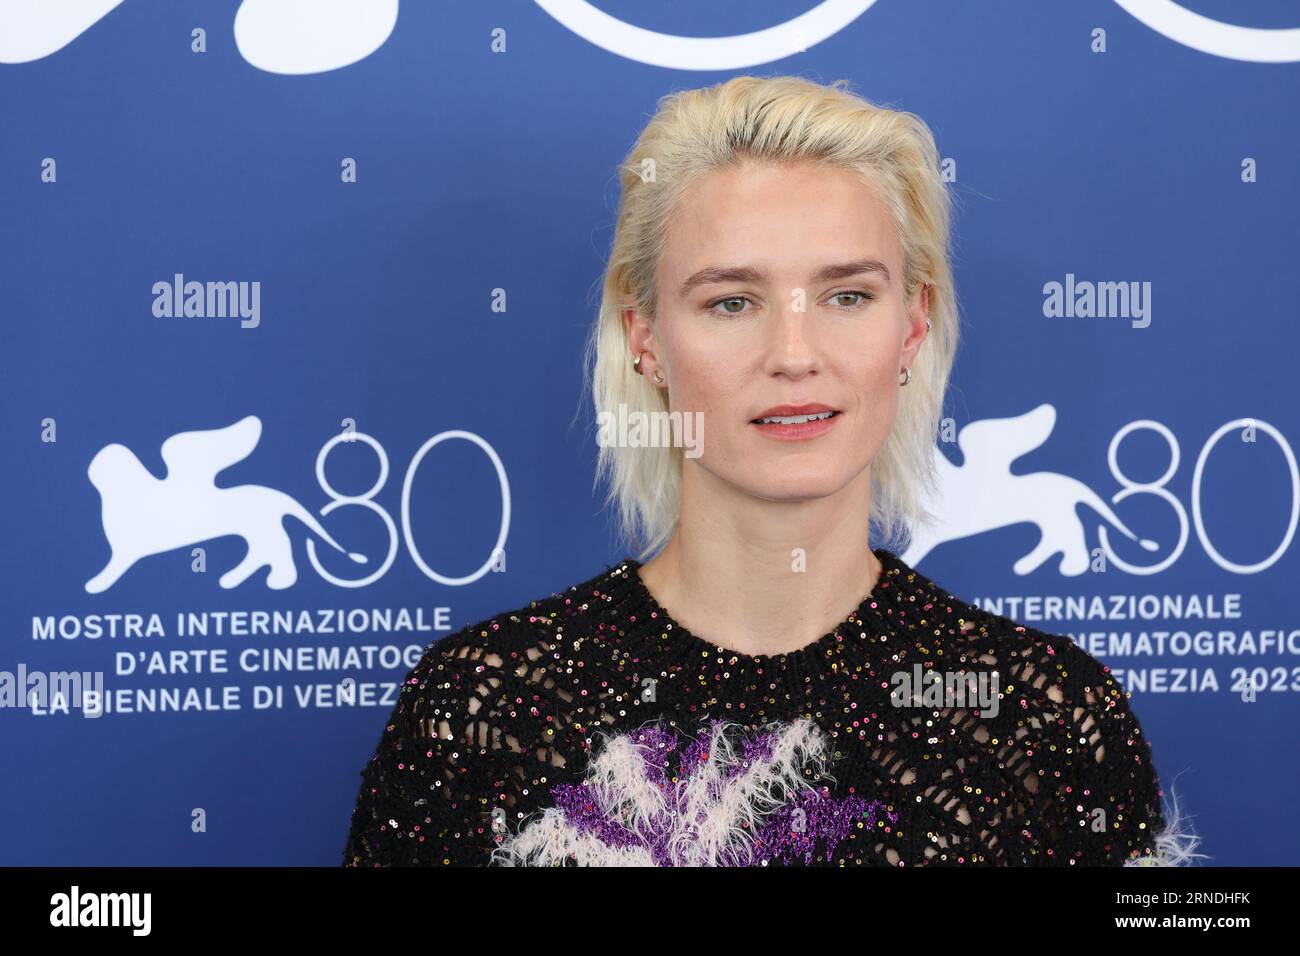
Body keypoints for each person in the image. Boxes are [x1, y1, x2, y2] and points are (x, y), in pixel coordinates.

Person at [343, 75, 1201, 867]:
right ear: (646, 338)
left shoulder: (1049, 714)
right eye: (731, 302)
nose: (795, 355)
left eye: (847, 295)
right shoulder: (479, 709)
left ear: (911, 327)